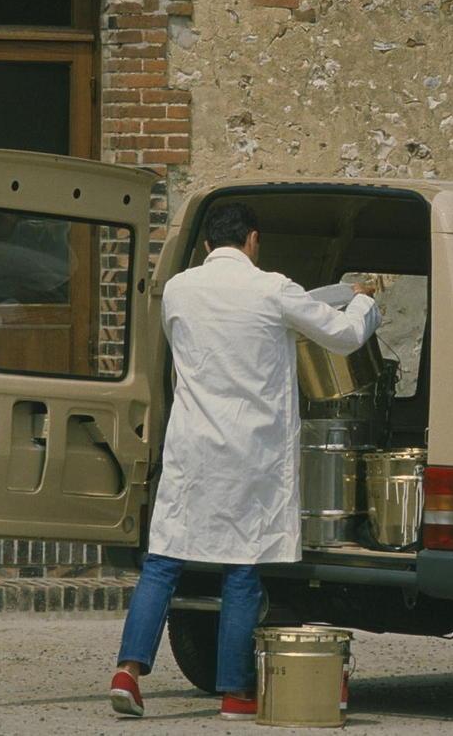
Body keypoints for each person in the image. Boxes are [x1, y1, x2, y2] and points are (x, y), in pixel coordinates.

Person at [109, 202, 381, 720]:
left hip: (191, 446)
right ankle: (235, 692)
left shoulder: (179, 290)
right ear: (253, 240)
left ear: (208, 244)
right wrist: (363, 301)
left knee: (164, 560)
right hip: (249, 450)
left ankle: (128, 672)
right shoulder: (272, 288)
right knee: (241, 567)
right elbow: (343, 336)